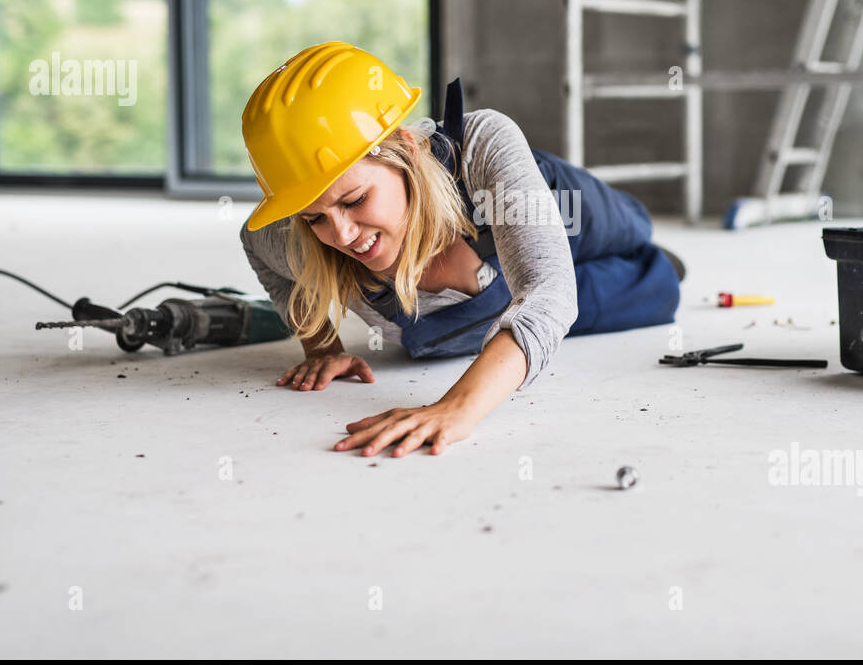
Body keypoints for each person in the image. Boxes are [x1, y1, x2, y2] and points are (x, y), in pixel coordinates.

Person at [239, 41, 683, 459]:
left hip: (546, 211)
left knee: (632, 229)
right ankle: (657, 270)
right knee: (659, 290)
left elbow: (549, 291)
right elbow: (254, 242)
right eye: (315, 217)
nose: (342, 235)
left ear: (408, 151)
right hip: (508, 286)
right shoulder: (297, 236)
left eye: (354, 201)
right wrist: (321, 349)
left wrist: (457, 407)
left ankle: (606, 244)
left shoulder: (482, 145)